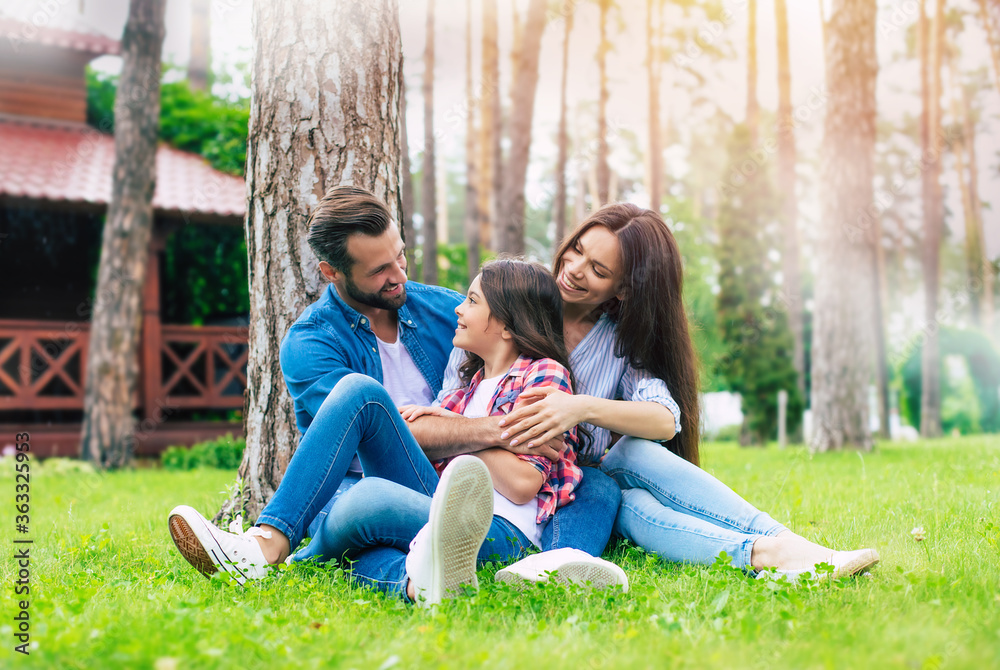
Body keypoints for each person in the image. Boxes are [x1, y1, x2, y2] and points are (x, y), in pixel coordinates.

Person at [167, 186, 623, 599]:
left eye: (400, 257)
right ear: (332, 272)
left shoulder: (446, 313)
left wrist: (449, 430)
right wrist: (503, 431)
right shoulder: (311, 343)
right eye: (379, 269)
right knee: (362, 406)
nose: (399, 275)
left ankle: (321, 563)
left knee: (596, 483)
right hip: (366, 482)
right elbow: (392, 432)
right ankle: (277, 544)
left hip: (448, 493)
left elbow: (524, 323)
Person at [451, 203, 880, 583]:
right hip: (547, 486)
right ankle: (777, 550)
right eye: (577, 249)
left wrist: (578, 407)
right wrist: (501, 432)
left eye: (599, 270)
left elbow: (664, 418)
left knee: (630, 462)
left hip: (592, 483)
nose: (576, 268)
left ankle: (776, 547)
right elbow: (445, 412)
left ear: (622, 290)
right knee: (614, 486)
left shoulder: (618, 342)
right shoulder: (503, 308)